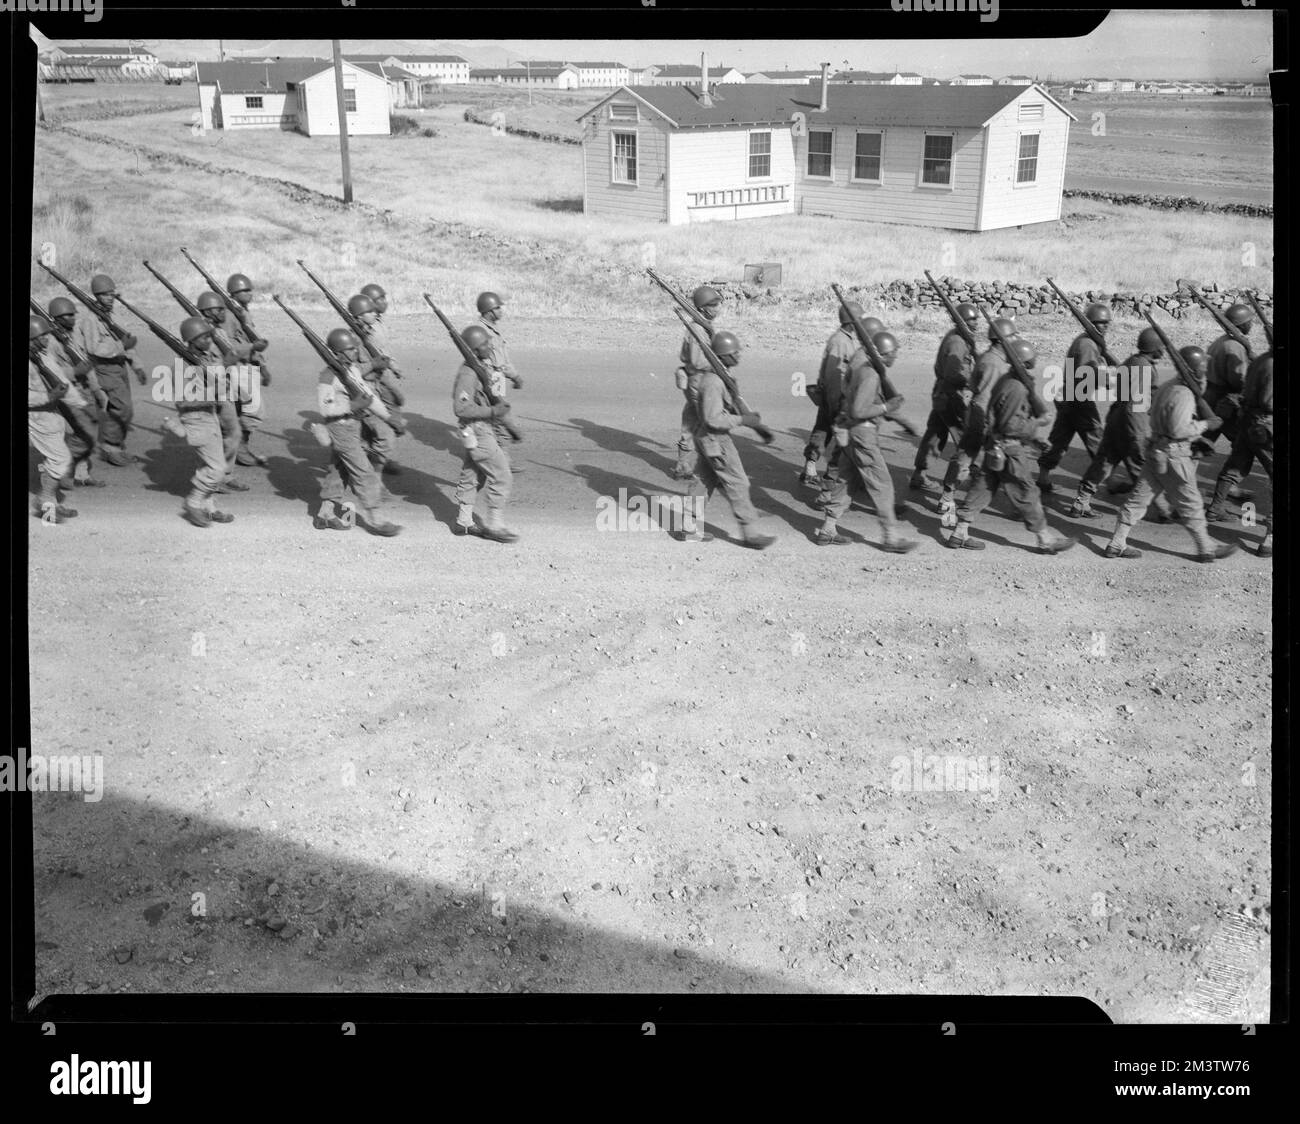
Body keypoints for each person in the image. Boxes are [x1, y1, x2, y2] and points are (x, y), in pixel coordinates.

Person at [1102, 351, 1238, 563]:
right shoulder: (1183, 394)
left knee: (1137, 501)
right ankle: (1206, 548)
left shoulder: (1167, 386)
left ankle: (1116, 543)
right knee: (1190, 502)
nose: (1206, 371)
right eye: (1203, 367)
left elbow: (1154, 416)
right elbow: (1178, 429)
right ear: (1194, 368)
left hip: (1156, 451)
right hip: (1175, 455)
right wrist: (1205, 425)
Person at [946, 340, 1076, 554]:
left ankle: (959, 532)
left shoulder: (1007, 380)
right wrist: (1039, 423)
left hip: (996, 446)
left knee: (983, 488)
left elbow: (1004, 419)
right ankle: (1045, 539)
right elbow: (1012, 425)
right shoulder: (1015, 387)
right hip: (1009, 450)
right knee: (1028, 492)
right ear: (1026, 361)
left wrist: (1035, 438)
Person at [814, 332, 918, 553]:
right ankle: (890, 537)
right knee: (882, 485)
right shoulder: (870, 375)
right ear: (881, 354)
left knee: (845, 481)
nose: (895, 357)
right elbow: (860, 410)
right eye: (892, 353)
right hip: (863, 435)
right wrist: (887, 408)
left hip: (851, 434)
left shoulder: (860, 368)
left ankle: (828, 529)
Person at [1067, 328, 1172, 522]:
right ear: (1154, 348)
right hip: (1134, 421)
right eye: (1161, 347)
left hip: (1116, 417)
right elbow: (1144, 400)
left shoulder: (1131, 361)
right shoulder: (1146, 368)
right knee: (1143, 466)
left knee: (1104, 461)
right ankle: (1164, 509)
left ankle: (1081, 501)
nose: (1163, 351)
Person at [688, 329, 776, 550]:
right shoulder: (714, 382)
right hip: (715, 440)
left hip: (708, 439)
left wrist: (753, 424)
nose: (739, 355)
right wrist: (743, 420)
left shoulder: (719, 376)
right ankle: (751, 534)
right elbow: (713, 419)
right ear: (723, 355)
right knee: (738, 483)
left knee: (705, 482)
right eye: (734, 352)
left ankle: (687, 526)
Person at [314, 328, 402, 536]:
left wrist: (388, 418)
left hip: (354, 426)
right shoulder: (328, 376)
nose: (355, 352)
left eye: (355, 348)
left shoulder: (351, 370)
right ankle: (376, 520)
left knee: (339, 470)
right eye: (350, 349)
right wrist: (352, 406)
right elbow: (325, 409)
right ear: (338, 353)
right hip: (340, 428)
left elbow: (369, 396)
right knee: (364, 472)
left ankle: (325, 513)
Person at [937, 317, 1017, 527]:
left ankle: (947, 496)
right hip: (985, 417)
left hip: (976, 412)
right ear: (1001, 340)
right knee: (1004, 460)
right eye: (1012, 336)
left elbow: (972, 385)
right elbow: (995, 396)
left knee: (965, 455)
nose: (1015, 339)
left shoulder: (986, 358)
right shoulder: (995, 364)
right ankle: (1016, 503)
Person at [71, 273, 146, 466]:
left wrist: (137, 366)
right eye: (105, 295)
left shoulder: (113, 315)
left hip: (120, 367)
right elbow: (94, 347)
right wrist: (121, 346)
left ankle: (116, 447)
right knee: (122, 408)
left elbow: (126, 341)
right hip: (104, 369)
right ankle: (110, 447)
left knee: (124, 409)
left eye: (112, 294)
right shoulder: (90, 320)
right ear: (96, 296)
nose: (110, 298)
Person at [1205, 347, 1273, 557]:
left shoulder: (1261, 359)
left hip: (1247, 420)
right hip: (1265, 425)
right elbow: (1270, 402)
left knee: (1235, 467)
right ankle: (1268, 540)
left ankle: (1215, 508)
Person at [453, 324, 517, 542]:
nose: (490, 346)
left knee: (473, 474)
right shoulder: (468, 374)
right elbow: (460, 408)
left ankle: (463, 521)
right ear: (473, 350)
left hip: (482, 428)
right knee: (502, 475)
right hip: (478, 429)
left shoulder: (481, 366)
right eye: (484, 344)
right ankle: (494, 524)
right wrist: (492, 411)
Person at [803, 303, 878, 492]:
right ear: (851, 321)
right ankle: (828, 480)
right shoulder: (839, 341)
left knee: (822, 431)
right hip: (836, 396)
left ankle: (811, 470)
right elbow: (834, 373)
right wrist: (838, 404)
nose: (862, 322)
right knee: (834, 438)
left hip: (837, 396)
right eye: (860, 318)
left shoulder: (849, 339)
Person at [1037, 302, 1110, 494]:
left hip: (1069, 398)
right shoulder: (1087, 344)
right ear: (1091, 323)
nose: (1104, 326)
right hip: (1080, 400)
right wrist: (1115, 383)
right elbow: (1090, 374)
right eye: (1099, 322)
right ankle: (1095, 488)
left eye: (1106, 322)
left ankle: (1043, 479)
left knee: (1058, 441)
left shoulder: (1086, 340)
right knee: (1098, 444)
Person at [174, 317, 238, 529]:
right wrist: (217, 391)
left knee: (208, 463)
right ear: (190, 341)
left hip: (209, 416)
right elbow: (185, 399)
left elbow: (216, 380)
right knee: (217, 468)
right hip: (195, 419)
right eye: (202, 337)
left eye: (208, 335)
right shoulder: (182, 365)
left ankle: (209, 507)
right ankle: (193, 502)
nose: (208, 340)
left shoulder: (204, 358)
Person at [911, 302, 979, 491]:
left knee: (934, 435)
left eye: (976, 319)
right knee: (964, 437)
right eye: (971, 319)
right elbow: (952, 373)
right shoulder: (957, 342)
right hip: (951, 395)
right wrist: (971, 380)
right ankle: (965, 476)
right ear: (961, 321)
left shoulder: (957, 336)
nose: (975, 323)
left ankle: (919, 475)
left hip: (941, 393)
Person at [44, 297, 105, 487]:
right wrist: (74, 372)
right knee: (85, 434)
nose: (72, 318)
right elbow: (49, 371)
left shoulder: (75, 335)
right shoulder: (50, 342)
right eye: (67, 316)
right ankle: (61, 469)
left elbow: (86, 364)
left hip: (86, 389)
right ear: (55, 319)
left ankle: (81, 474)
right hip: (70, 393)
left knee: (91, 431)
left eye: (73, 314)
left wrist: (96, 389)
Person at [348, 293, 406, 476]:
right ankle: (373, 478)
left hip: (378, 389)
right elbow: (349, 371)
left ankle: (376, 460)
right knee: (385, 434)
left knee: (382, 430)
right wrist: (373, 365)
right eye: (369, 311)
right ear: (358, 317)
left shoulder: (370, 332)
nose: (375, 313)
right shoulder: (352, 340)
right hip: (363, 394)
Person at [28, 316, 78, 523]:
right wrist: (50, 396)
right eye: (42, 336)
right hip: (39, 417)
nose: (47, 339)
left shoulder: (40, 357)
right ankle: (45, 499)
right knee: (61, 458)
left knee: (53, 458)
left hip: (52, 414)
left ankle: (50, 509)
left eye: (47, 334)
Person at [672, 285, 723, 488]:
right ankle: (711, 470)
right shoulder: (698, 330)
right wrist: (719, 361)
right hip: (700, 380)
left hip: (696, 380)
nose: (717, 308)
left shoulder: (701, 326)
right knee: (709, 425)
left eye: (718, 304)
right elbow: (696, 360)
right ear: (702, 308)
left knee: (690, 421)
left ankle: (682, 466)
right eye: (713, 305)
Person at [225, 272, 272, 467]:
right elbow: (227, 346)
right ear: (233, 294)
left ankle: (235, 446)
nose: (249, 293)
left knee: (242, 409)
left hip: (248, 366)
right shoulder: (229, 315)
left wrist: (262, 367)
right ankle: (239, 447)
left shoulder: (243, 311)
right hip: (237, 366)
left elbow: (251, 339)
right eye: (243, 291)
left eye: (249, 290)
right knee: (254, 410)